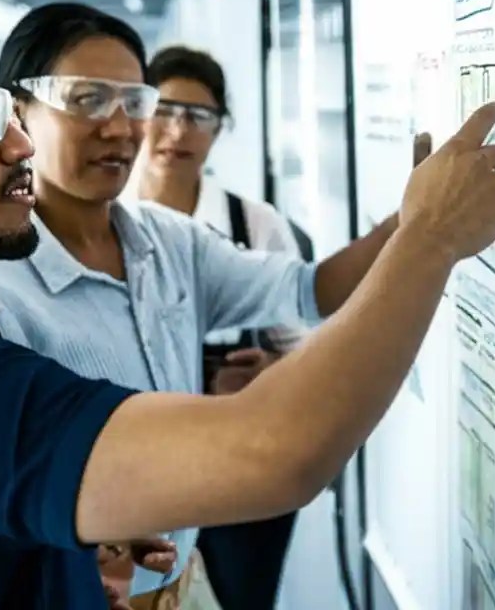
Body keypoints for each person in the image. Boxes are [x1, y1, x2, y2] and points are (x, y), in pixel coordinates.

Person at [0, 0, 495, 608]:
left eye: (0, 118)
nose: (16, 146)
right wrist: (431, 238)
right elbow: (275, 452)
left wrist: (58, 564)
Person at [0, 3, 413, 606]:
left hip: (185, 583)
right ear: (18, 112)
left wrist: (415, 221)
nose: (121, 127)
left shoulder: (166, 241)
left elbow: (314, 289)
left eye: (134, 101)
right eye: (87, 100)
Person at [136, 45, 307, 609]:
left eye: (199, 116)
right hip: (141, 472)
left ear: (218, 130)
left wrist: (272, 372)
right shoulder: (105, 219)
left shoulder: (253, 225)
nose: (178, 130)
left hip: (240, 471)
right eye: (162, 110)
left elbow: (308, 350)